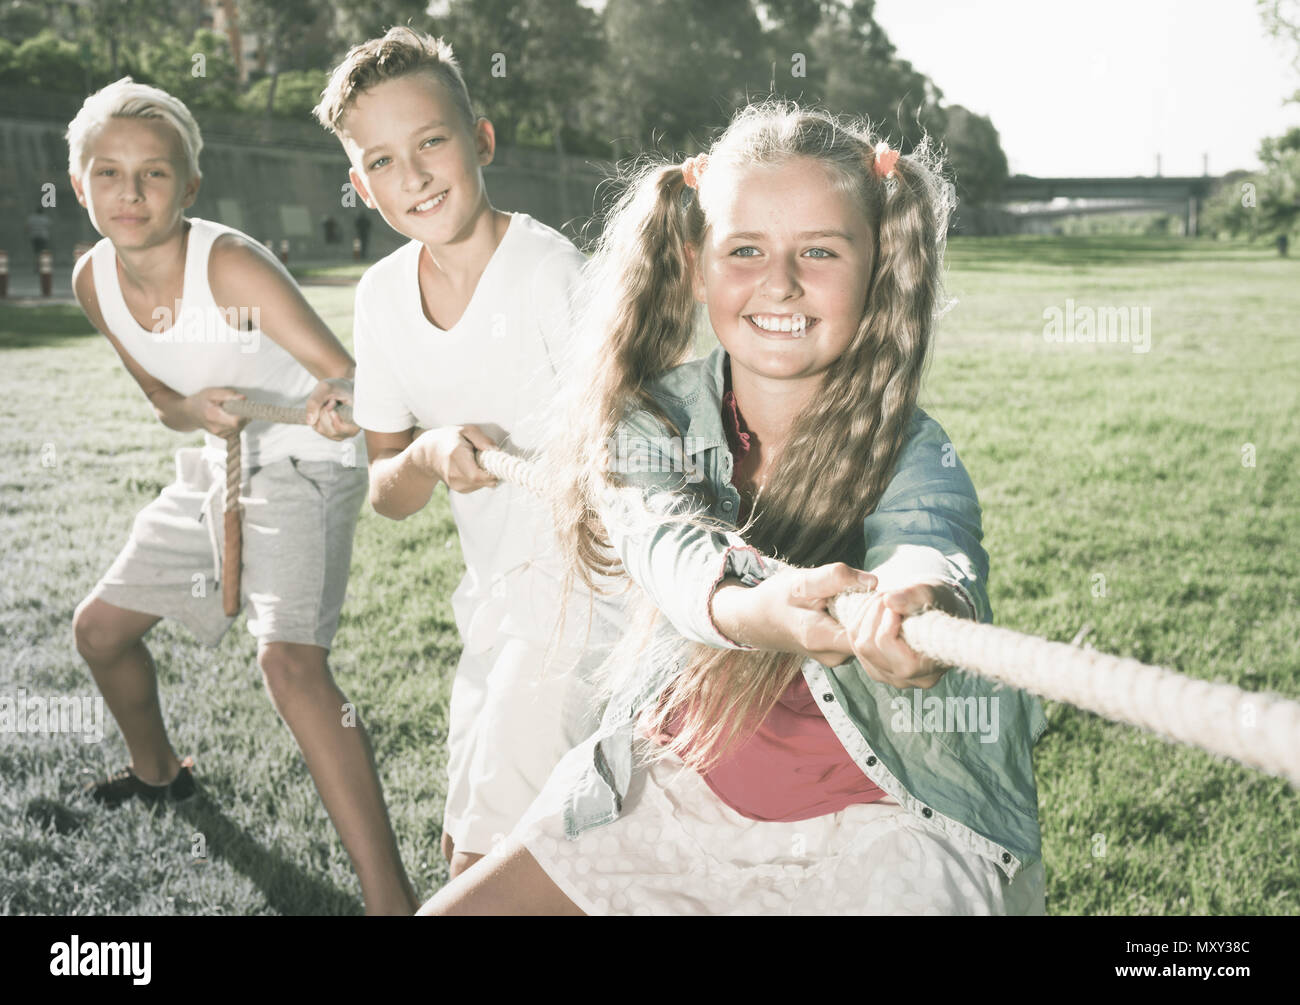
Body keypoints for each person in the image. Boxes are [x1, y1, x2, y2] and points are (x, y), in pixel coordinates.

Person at [420, 101, 1049, 916]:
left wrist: (922, 601)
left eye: (819, 251)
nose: (779, 282)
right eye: (744, 250)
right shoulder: (649, 421)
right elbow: (667, 543)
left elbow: (934, 542)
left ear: (877, 261)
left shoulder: (911, 447)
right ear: (696, 263)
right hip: (679, 794)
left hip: (882, 822)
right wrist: (757, 607)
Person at [65, 77, 418, 914]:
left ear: (189, 186)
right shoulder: (93, 280)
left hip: (300, 458)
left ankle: (391, 901)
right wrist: (195, 407)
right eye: (107, 173)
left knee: (288, 662)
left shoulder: (226, 263)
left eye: (154, 173)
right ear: (78, 184)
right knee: (100, 632)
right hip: (224, 457)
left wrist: (340, 407)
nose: (130, 191)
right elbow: (164, 401)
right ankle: (161, 778)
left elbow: (348, 380)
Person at [313, 28, 623, 883]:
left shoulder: (550, 271)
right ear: (358, 183)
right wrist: (430, 453)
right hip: (491, 603)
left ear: (480, 139)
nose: (410, 176)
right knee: (469, 850)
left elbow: (626, 448)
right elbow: (387, 488)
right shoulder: (378, 298)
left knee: (486, 866)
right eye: (380, 160)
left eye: (431, 143)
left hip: (580, 599)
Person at [26, 204, 52, 271]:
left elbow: (27, 227)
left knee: (36, 253)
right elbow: (49, 226)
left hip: (34, 236)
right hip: (43, 236)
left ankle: (36, 267)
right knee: (43, 252)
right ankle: (43, 266)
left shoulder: (31, 218)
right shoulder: (45, 218)